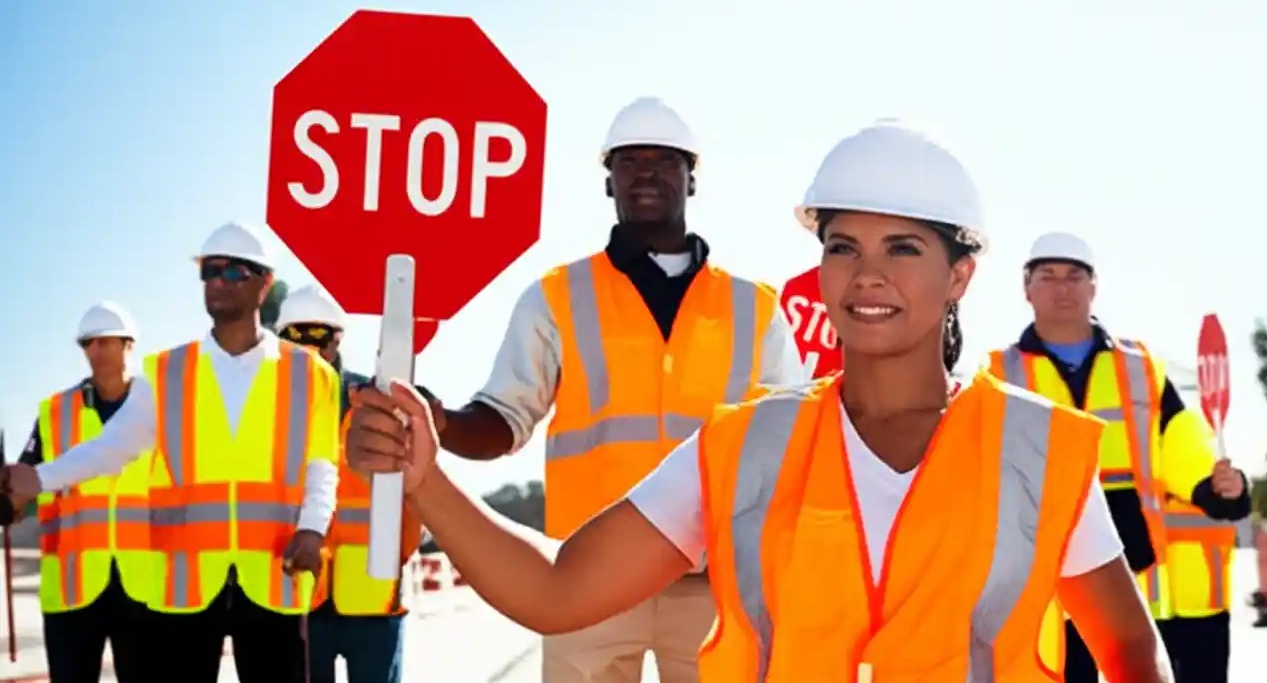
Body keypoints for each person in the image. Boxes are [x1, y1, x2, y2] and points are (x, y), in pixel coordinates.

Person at [343, 120, 1174, 681]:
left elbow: (1130, 647)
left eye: (904, 248)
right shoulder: (746, 447)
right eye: (843, 247)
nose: (867, 274)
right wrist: (427, 477)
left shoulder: (1037, 447)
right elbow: (559, 590)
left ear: (960, 274)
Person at [349, 95, 805, 683]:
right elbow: (503, 417)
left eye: (664, 161)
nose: (646, 174)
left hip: (713, 585)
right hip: (585, 579)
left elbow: (789, 442)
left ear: (692, 180)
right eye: (629, 161)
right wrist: (443, 423)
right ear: (608, 181)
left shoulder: (755, 307)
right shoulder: (556, 296)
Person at [2, 221, 341, 683]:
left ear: (264, 284)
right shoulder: (167, 372)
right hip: (187, 584)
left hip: (273, 573)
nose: (217, 281)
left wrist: (314, 527)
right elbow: (112, 447)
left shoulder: (311, 374)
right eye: (210, 270)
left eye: (233, 271)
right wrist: (40, 478)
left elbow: (322, 465)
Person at [983, 232, 1250, 683]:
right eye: (1047, 276)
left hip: (1146, 576)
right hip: (1054, 586)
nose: (1062, 287)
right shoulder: (995, 376)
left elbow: (1180, 442)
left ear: (1094, 287)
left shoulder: (1142, 367)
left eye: (1075, 276)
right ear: (1026, 289)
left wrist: (1218, 486)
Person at [275, 284, 423, 683]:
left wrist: (398, 554)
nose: (307, 347)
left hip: (372, 597)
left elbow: (412, 487)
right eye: (294, 337)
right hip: (300, 597)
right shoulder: (269, 410)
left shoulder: (376, 400)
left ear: (338, 338)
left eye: (318, 335)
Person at [10, 302, 153, 682]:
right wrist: (8, 502)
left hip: (144, 584)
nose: (96, 351)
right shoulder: (55, 412)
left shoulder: (160, 407)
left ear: (128, 345)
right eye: (88, 344)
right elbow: (25, 484)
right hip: (73, 588)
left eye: (106, 342)